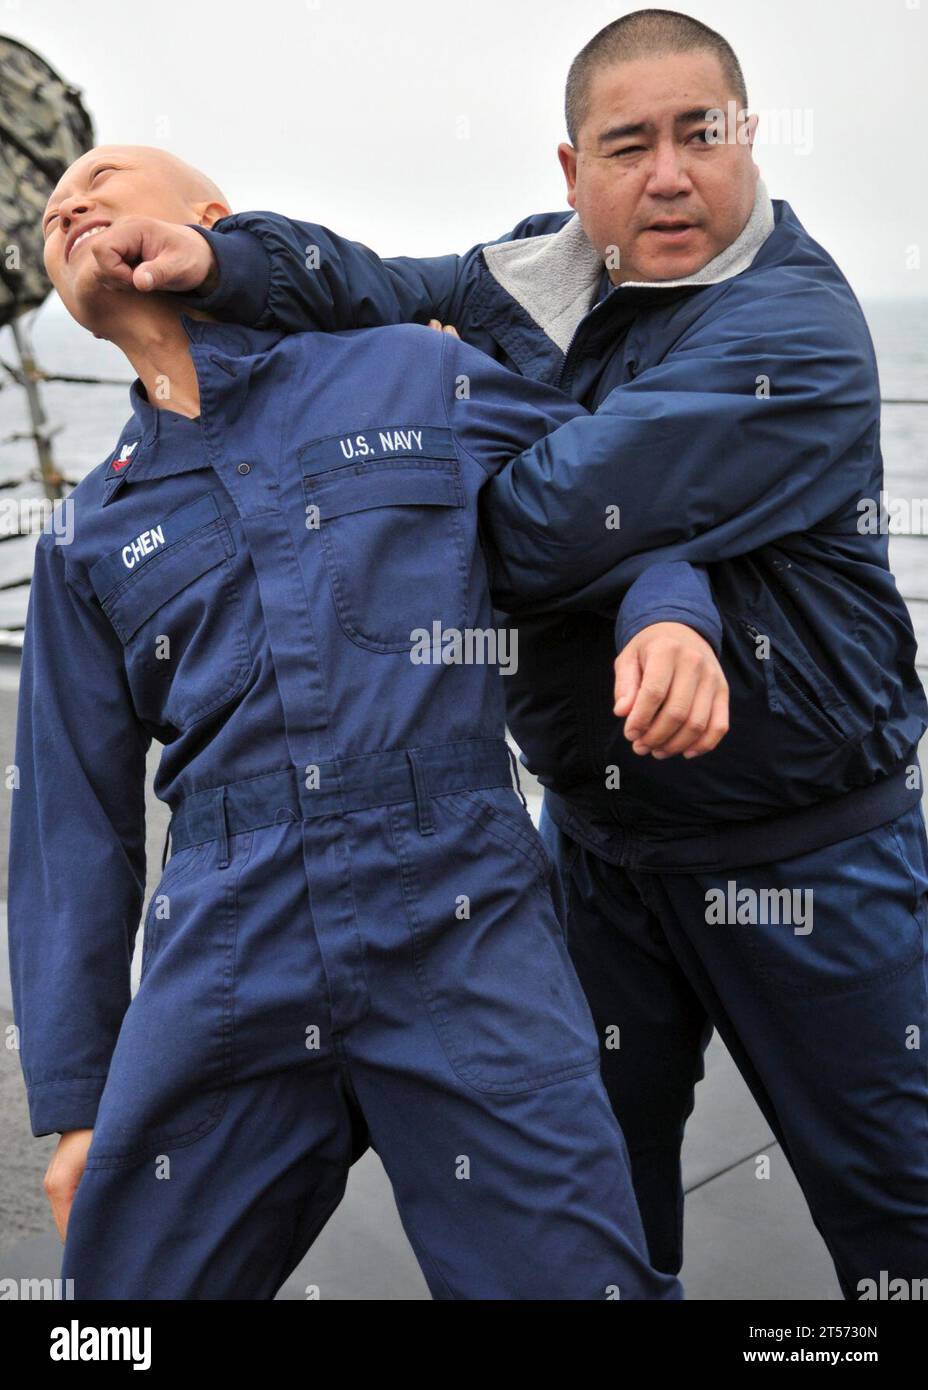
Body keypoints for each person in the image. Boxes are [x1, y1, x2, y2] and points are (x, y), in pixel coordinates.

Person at [86, 10, 928, 1296]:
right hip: (592, 848)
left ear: (747, 139)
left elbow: (535, 528)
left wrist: (386, 466)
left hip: (804, 850)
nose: (667, 175)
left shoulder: (791, 339)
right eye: (625, 145)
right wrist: (220, 260)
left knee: (898, 1207)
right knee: (590, 1211)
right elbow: (375, 283)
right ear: (570, 172)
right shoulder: (539, 269)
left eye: (700, 136)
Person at [9, 142, 729, 1299]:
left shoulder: (407, 374)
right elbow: (69, 829)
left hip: (458, 901)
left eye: (104, 176)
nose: (71, 203)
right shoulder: (85, 535)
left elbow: (614, 500)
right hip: (227, 941)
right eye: (50, 213)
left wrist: (671, 620)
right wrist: (79, 1107)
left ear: (211, 221)